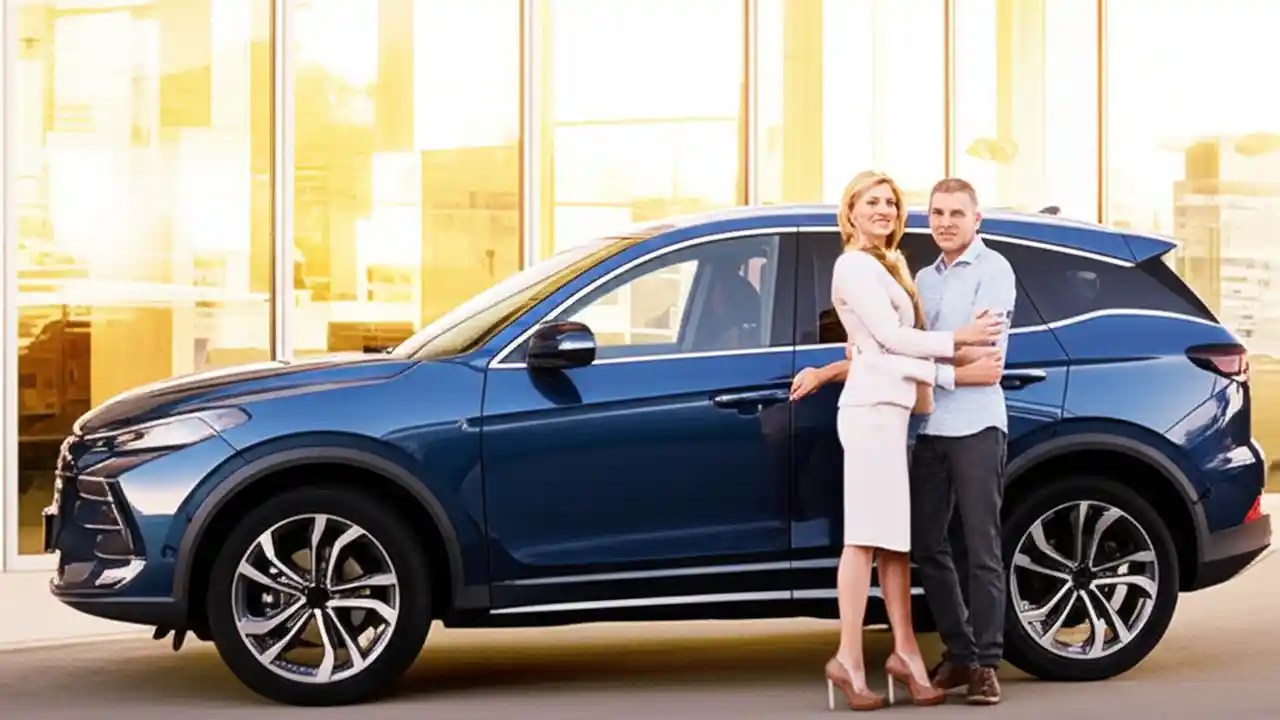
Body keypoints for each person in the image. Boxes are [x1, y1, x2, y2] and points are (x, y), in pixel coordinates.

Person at [812, 170, 1003, 711]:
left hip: (894, 414)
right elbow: (890, 342)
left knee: (895, 544)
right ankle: (849, 658)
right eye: (872, 202)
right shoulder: (852, 265)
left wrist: (833, 368)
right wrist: (958, 344)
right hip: (872, 413)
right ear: (849, 210)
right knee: (864, 540)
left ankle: (905, 656)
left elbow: (867, 350)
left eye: (892, 204)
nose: (885, 211)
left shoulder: (886, 265)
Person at [909, 178, 1016, 706]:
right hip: (928, 426)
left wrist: (928, 359)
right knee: (929, 546)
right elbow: (905, 350)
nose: (945, 221)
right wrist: (947, 356)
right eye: (936, 213)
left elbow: (986, 360)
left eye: (956, 213)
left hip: (976, 425)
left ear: (977, 219)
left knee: (981, 549)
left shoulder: (994, 271)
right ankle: (959, 654)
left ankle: (987, 665)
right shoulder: (922, 279)